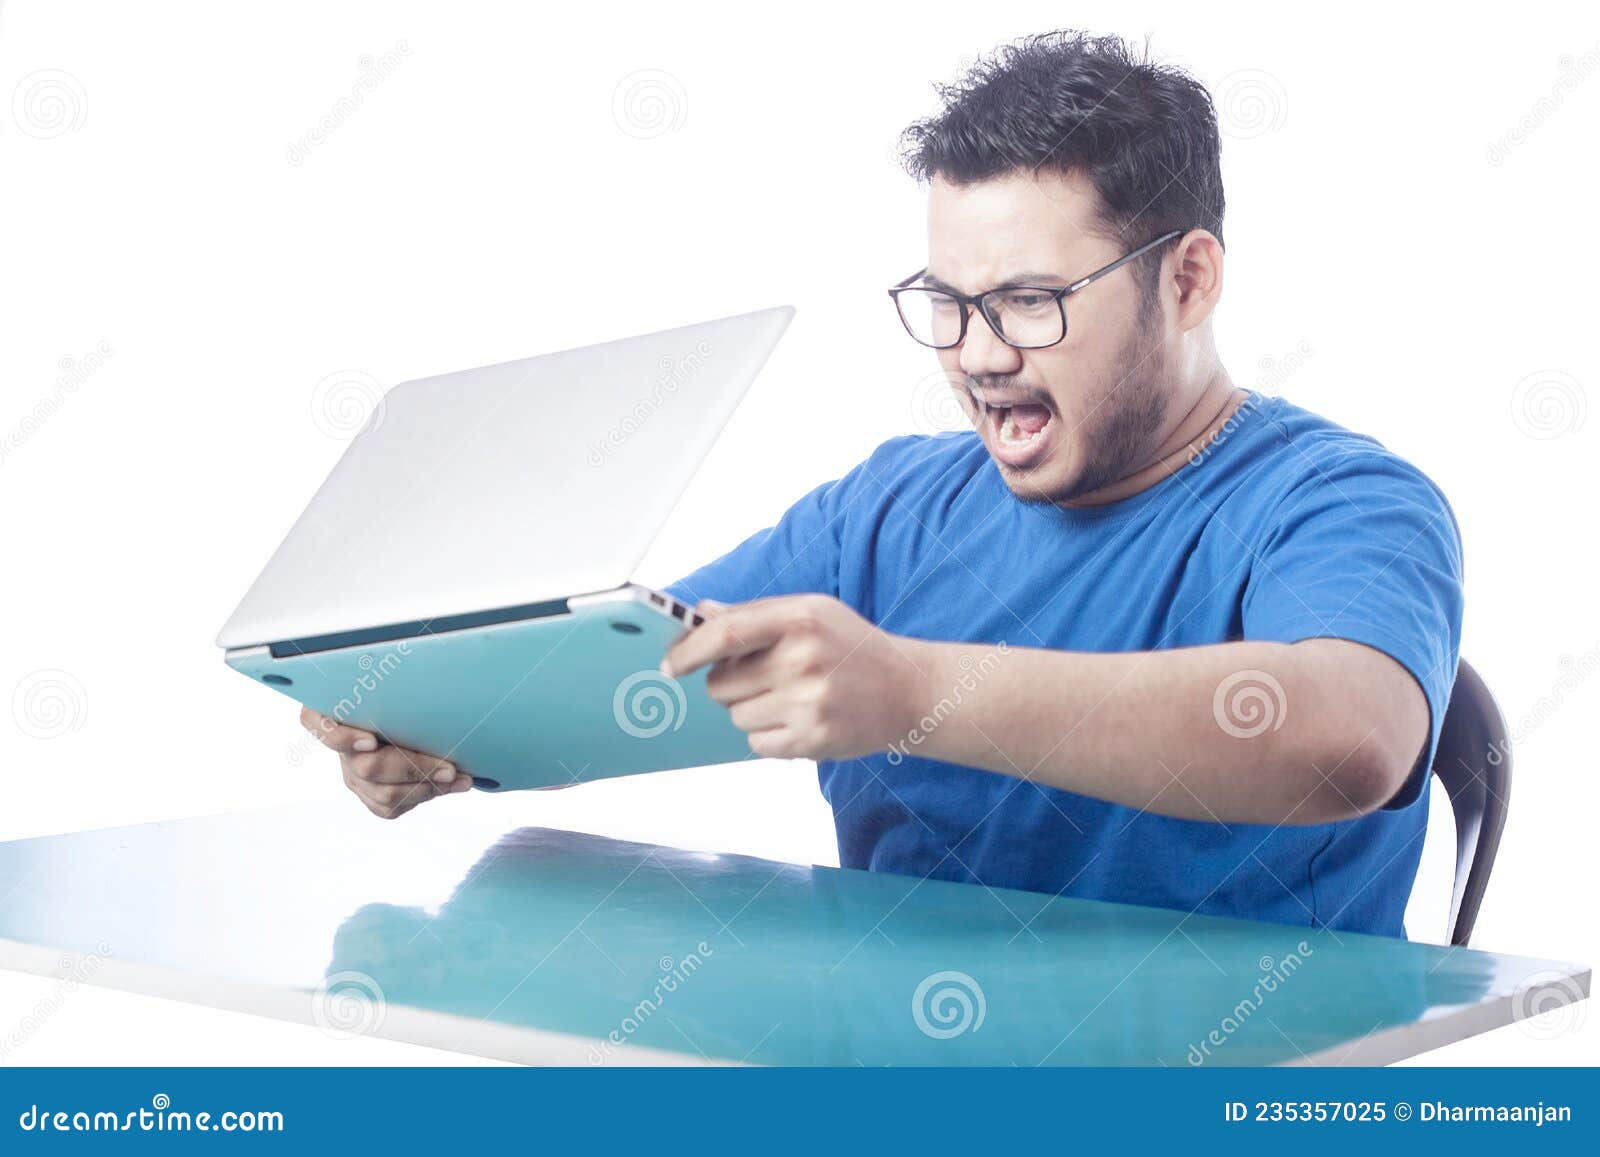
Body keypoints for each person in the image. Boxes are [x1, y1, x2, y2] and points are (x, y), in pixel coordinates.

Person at [305, 31, 1461, 938]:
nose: (976, 353)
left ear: (1189, 278)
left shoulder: (1344, 501)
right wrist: (439, 719)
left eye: (1028, 299)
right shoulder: (887, 510)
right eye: (947, 303)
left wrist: (908, 690)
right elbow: (631, 669)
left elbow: (1345, 741)